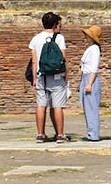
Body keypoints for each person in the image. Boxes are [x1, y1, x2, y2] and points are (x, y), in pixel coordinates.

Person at [29, 12, 68, 143]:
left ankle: (40, 134)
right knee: (57, 106)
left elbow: (34, 62)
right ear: (55, 24)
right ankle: (60, 135)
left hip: (41, 76)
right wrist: (65, 77)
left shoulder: (35, 39)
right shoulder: (59, 38)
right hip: (56, 76)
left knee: (41, 105)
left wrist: (34, 79)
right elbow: (63, 59)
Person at [79, 25, 102, 142]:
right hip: (85, 78)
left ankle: (93, 134)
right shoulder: (90, 49)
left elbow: (93, 68)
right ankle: (91, 132)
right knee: (88, 107)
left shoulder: (94, 50)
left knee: (91, 107)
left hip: (90, 79)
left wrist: (89, 83)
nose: (85, 38)